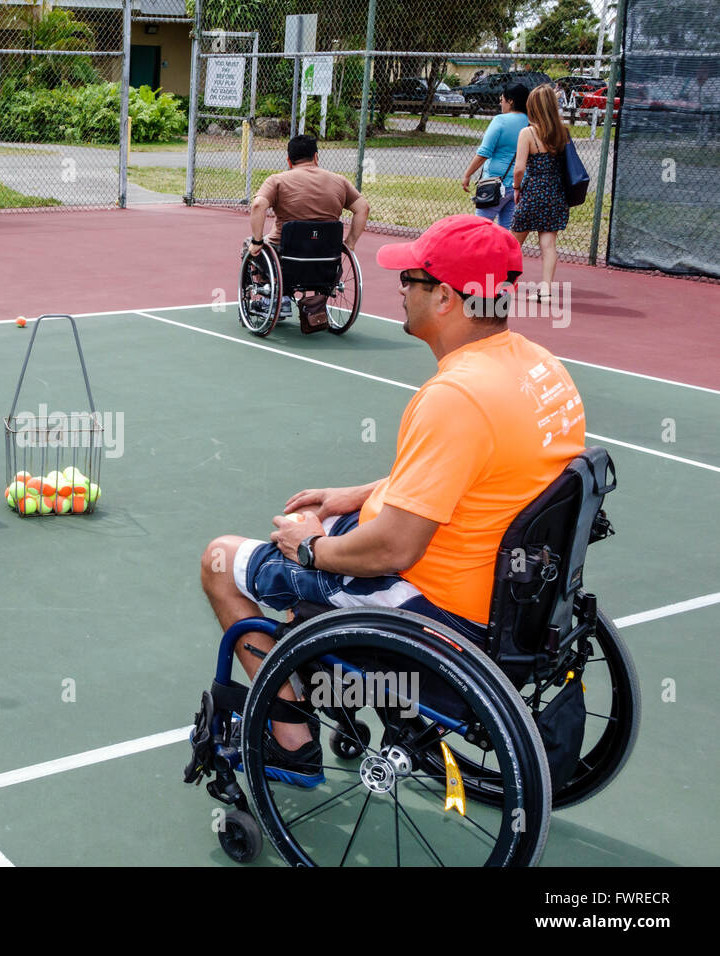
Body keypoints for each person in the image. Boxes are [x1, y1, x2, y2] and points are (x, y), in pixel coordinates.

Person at [199, 215, 587, 781]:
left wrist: (310, 550)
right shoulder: (539, 366)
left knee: (221, 560)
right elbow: (482, 480)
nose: (400, 288)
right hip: (513, 600)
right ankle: (311, 670)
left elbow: (395, 549)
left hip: (436, 610)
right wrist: (353, 495)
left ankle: (291, 740)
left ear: (448, 298)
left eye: (412, 277)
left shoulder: (455, 397)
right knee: (319, 518)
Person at [248, 134, 369, 256]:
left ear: (289, 161)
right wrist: (350, 243)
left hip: (285, 251)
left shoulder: (277, 181)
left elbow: (258, 205)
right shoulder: (340, 181)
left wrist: (257, 241)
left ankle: (264, 275)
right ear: (316, 157)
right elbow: (363, 208)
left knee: (248, 245)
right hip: (326, 251)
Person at [511, 84, 571, 303]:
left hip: (534, 190)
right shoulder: (562, 133)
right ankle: (545, 289)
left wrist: (517, 187)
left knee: (514, 242)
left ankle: (505, 284)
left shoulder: (527, 133)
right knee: (548, 245)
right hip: (555, 192)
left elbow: (519, 168)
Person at [460, 83, 530, 229]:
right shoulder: (529, 122)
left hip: (495, 183)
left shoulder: (500, 120)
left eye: (502, 100)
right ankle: (503, 252)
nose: (500, 104)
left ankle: (480, 252)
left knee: (481, 227)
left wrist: (468, 174)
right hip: (518, 184)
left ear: (510, 101)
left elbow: (484, 153)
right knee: (505, 229)